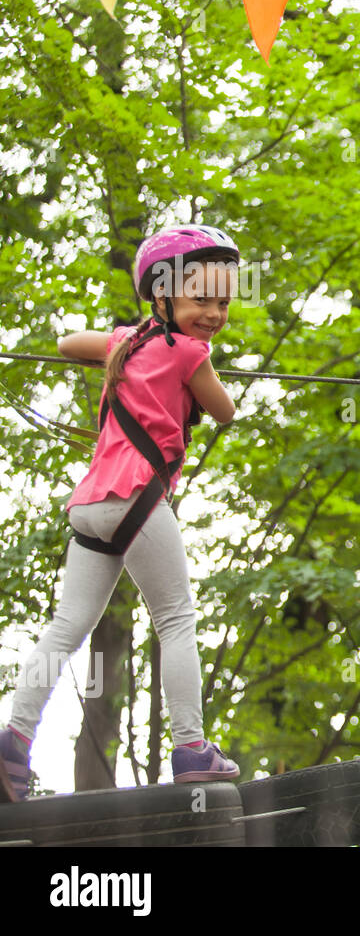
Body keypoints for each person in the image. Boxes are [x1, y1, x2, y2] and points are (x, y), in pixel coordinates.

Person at [0, 224, 243, 802]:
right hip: (137, 499)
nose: (213, 312)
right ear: (163, 297)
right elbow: (226, 412)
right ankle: (191, 749)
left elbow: (64, 345)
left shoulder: (125, 342)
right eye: (201, 299)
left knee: (67, 626)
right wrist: (193, 371)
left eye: (224, 301)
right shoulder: (190, 352)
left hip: (91, 506)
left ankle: (13, 741)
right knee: (176, 619)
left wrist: (125, 343)